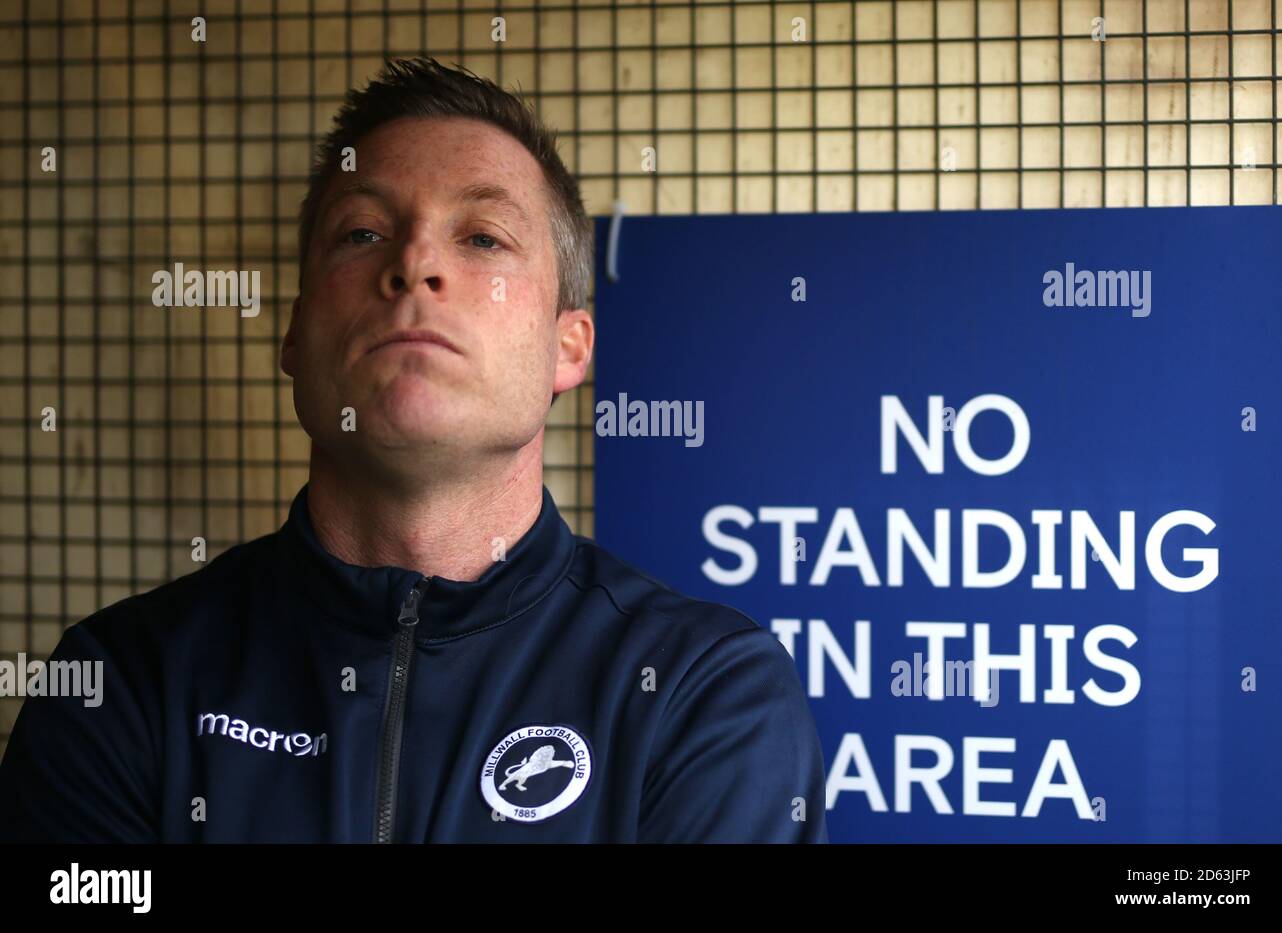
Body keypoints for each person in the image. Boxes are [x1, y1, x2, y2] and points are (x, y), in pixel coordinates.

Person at [0, 57, 828, 843]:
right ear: (294, 333)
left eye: (482, 238)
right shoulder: (121, 683)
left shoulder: (703, 694)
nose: (414, 262)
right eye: (361, 232)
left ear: (569, 347)